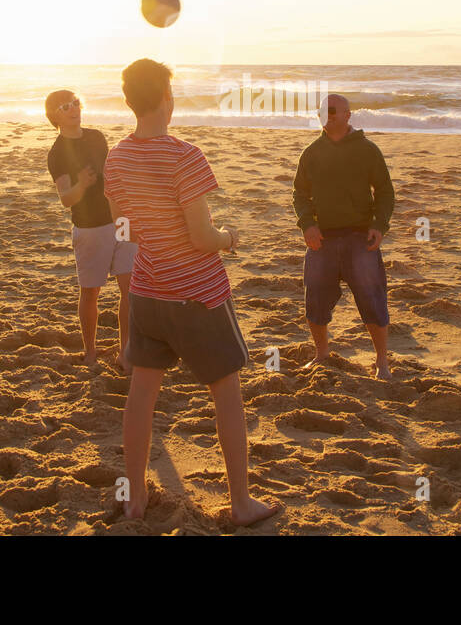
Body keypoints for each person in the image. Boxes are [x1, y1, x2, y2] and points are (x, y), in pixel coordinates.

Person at [102, 58, 279, 527]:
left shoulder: (116, 157)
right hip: (197, 294)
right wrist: (228, 238)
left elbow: (123, 230)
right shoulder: (185, 156)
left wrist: (157, 231)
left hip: (147, 290)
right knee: (226, 392)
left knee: (142, 392)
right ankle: (241, 502)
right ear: (166, 98)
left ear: (129, 101)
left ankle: (136, 497)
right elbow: (202, 238)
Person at [293, 94, 396, 379]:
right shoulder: (312, 153)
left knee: (372, 300)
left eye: (334, 110)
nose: (328, 114)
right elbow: (299, 194)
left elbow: (385, 192)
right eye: (323, 110)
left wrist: (379, 224)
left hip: (360, 239)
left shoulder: (367, 151)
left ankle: (381, 362)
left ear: (348, 115)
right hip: (321, 240)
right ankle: (322, 353)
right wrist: (307, 225)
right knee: (315, 300)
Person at [45, 89, 136, 372]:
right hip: (89, 228)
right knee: (91, 292)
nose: (74, 109)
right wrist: (82, 185)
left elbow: (114, 173)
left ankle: (126, 353)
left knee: (130, 290)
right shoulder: (57, 153)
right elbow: (65, 199)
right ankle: (90, 352)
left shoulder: (96, 137)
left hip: (120, 220)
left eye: (76, 103)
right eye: (65, 106)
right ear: (54, 116)